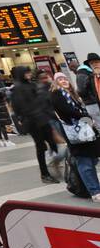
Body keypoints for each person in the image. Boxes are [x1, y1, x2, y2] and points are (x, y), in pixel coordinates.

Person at [9, 66, 66, 184]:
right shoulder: (18, 89)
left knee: (52, 143)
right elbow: (20, 108)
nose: (29, 74)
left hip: (43, 119)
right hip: (34, 123)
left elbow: (41, 100)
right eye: (26, 72)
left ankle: (54, 164)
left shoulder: (30, 85)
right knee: (41, 147)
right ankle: (45, 173)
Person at [51, 71, 100, 201]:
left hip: (85, 132)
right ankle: (95, 191)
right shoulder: (57, 94)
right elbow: (68, 111)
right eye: (60, 79)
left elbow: (78, 110)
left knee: (92, 160)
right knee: (85, 162)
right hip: (76, 134)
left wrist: (87, 119)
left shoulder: (72, 94)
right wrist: (86, 117)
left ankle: (92, 187)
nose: (63, 80)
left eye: (65, 78)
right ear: (56, 82)